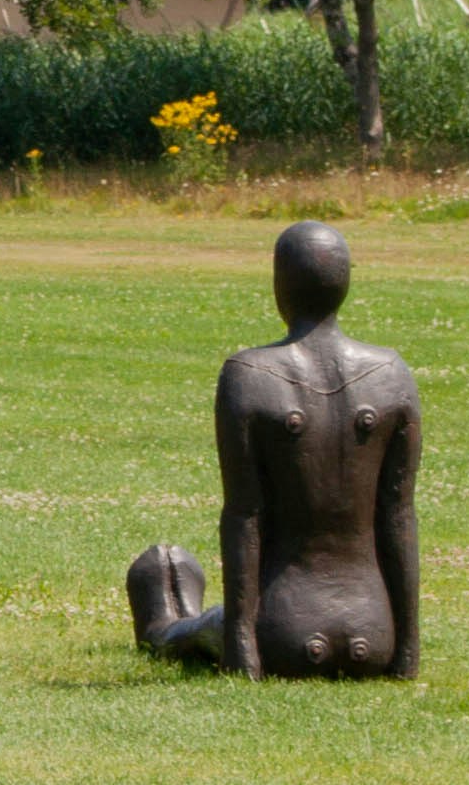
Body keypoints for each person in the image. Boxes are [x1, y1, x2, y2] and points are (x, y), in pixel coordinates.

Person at [128, 221, 421, 679]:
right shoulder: (392, 373)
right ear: (344, 283)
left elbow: (245, 516)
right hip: (372, 632)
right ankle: (177, 592)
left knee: (181, 630)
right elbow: (398, 518)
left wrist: (242, 648)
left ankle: (165, 618)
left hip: (284, 630)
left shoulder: (249, 373)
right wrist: (405, 652)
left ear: (278, 283)